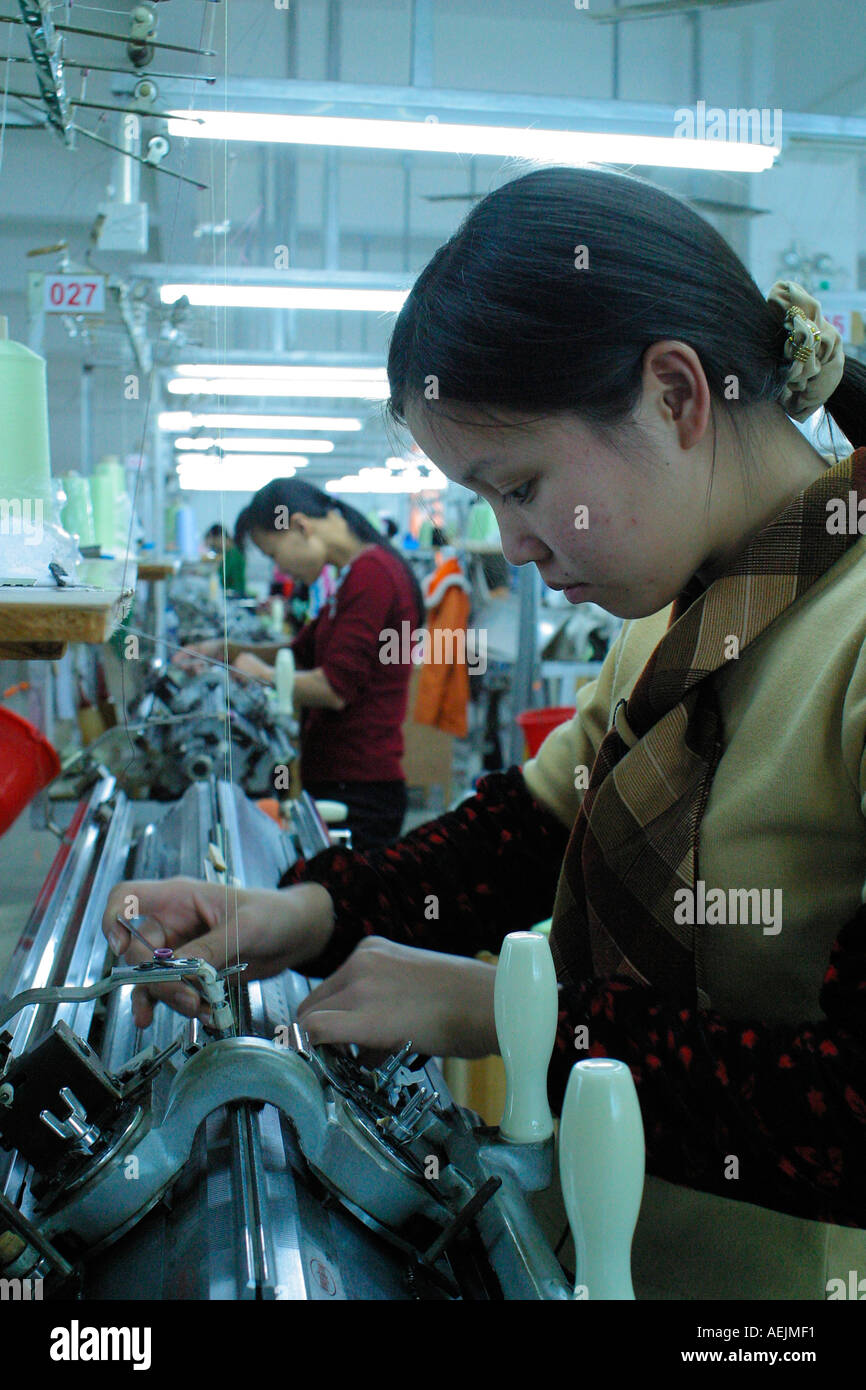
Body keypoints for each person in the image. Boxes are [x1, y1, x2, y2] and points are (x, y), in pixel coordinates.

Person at [105, 165, 866, 1300]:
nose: (510, 543)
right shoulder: (686, 615)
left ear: (674, 397)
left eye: (518, 486)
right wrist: (296, 913)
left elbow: (848, 1109)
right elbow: (522, 833)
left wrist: (509, 1019)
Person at [181, 479, 424, 851]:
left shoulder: (372, 575)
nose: (281, 570)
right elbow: (300, 652)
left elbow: (333, 689)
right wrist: (223, 650)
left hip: (358, 790)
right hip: (341, 780)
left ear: (299, 526)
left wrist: (260, 675)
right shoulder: (352, 576)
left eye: (274, 554)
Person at [204, 523, 246, 595]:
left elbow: (221, 575)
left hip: (235, 594)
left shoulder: (233, 555)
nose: (214, 546)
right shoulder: (228, 553)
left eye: (214, 542)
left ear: (221, 537)